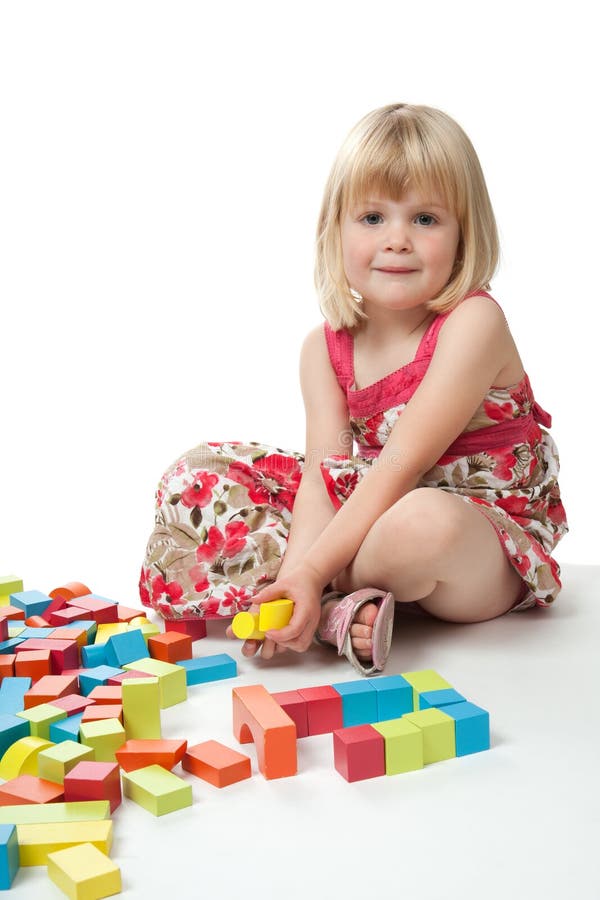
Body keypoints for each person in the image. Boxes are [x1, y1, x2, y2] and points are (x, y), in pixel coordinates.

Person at [139, 103, 568, 676]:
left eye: (425, 219)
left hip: (480, 540)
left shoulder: (473, 323)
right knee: (200, 475)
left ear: (466, 233)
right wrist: (298, 573)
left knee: (418, 523)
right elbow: (326, 471)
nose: (397, 240)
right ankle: (330, 610)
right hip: (369, 509)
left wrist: (315, 570)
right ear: (334, 229)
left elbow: (400, 465)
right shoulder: (324, 348)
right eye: (372, 218)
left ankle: (327, 593)